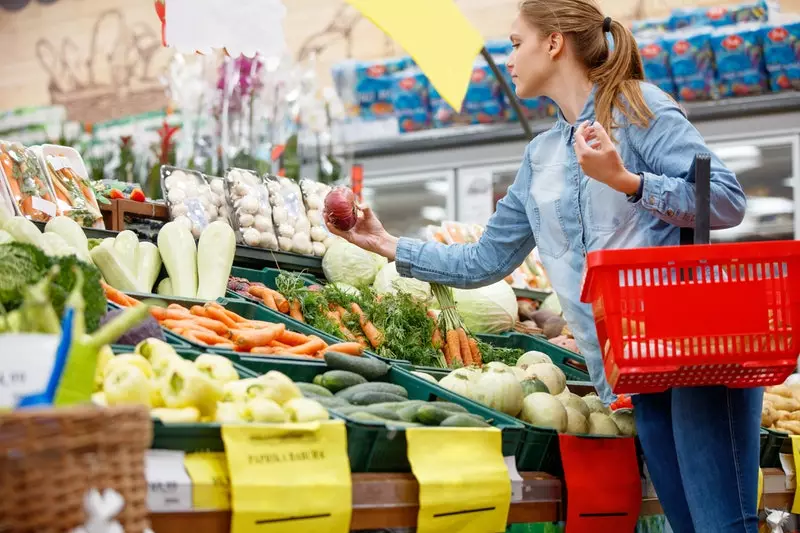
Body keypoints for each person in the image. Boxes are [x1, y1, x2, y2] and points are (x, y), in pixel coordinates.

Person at [328, 0, 763, 531]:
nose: (509, 59)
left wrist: (627, 181)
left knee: (720, 526)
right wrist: (387, 244)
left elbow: (725, 200)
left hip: (694, 351)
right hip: (634, 368)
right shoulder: (541, 157)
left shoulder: (640, 108)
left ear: (553, 42)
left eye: (515, 44)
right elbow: (485, 260)